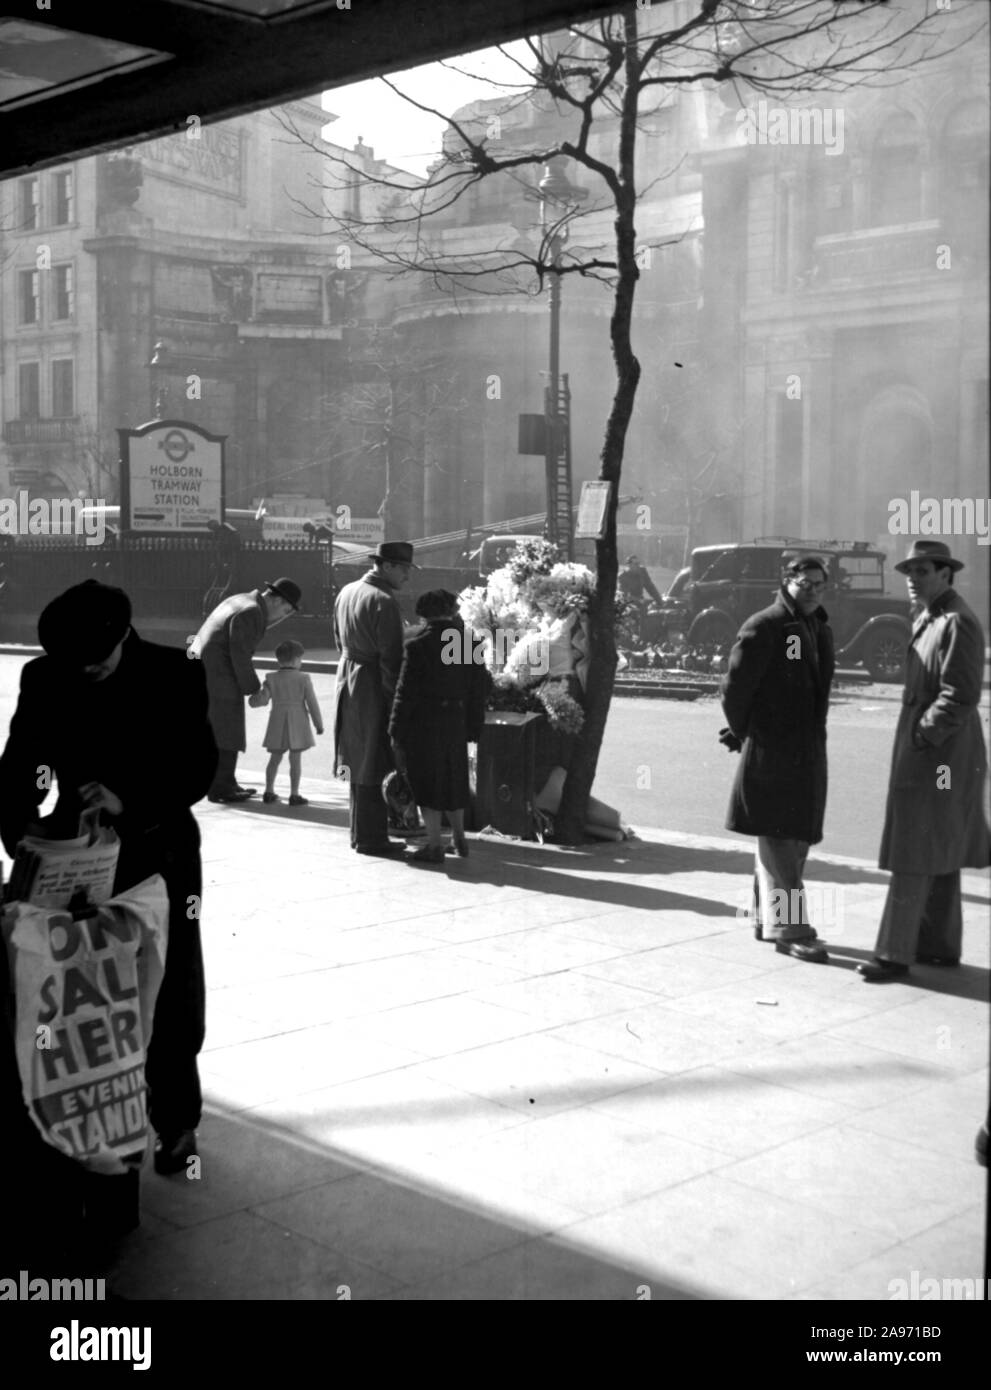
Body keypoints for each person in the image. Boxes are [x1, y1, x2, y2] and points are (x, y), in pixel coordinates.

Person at [0, 580, 218, 1236]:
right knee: (66, 993)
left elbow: (197, 766)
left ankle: (175, 1122)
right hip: (73, 852)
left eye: (96, 660)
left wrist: (134, 800)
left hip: (157, 853)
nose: (85, 672)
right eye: (74, 664)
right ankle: (70, 1122)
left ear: (123, 635)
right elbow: (21, 769)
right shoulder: (45, 678)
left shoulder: (175, 674)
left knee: (167, 986)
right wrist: (23, 837)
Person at [859, 540, 991, 981]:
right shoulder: (934, 617)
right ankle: (938, 947)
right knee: (939, 843)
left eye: (922, 571)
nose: (912, 579)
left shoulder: (956, 622)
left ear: (945, 574)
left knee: (915, 844)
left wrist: (922, 734)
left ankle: (894, 955)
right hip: (940, 751)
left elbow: (961, 695)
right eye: (909, 571)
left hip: (941, 757)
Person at [720, 555, 835, 963]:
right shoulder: (764, 625)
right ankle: (790, 929)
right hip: (773, 752)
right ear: (786, 581)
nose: (814, 591)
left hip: (805, 751)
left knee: (791, 838)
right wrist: (749, 733)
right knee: (781, 839)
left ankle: (764, 918)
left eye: (820, 584)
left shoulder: (817, 626)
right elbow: (735, 692)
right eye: (806, 584)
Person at [389, 590, 490, 863]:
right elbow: (481, 688)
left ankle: (434, 845)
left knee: (427, 780)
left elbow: (405, 693)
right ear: (453, 610)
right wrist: (473, 725)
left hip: (426, 722)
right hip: (456, 720)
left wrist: (396, 731)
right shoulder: (468, 644)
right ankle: (459, 837)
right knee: (454, 778)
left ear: (423, 614)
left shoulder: (418, 645)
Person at [333, 540, 416, 856]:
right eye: (405, 569)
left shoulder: (347, 591)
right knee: (374, 760)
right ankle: (372, 839)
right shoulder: (384, 601)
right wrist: (397, 703)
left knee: (356, 759)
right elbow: (391, 660)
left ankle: (359, 833)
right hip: (371, 685)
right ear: (389, 566)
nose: (407, 576)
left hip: (348, 679)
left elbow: (338, 639)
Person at [189, 577, 301, 802]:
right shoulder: (252, 612)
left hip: (207, 668)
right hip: (216, 673)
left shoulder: (241, 600)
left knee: (223, 728)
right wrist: (254, 689)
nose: (283, 617)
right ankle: (221, 788)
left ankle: (226, 782)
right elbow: (239, 655)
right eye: (286, 611)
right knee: (226, 730)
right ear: (276, 600)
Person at [250, 638, 323, 805]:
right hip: (298, 724)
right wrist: (318, 725)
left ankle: (269, 791)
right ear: (296, 659)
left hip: (277, 722)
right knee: (295, 760)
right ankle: (294, 794)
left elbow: (262, 699)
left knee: (274, 758)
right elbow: (312, 703)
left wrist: (252, 700)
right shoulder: (304, 678)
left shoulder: (271, 678)